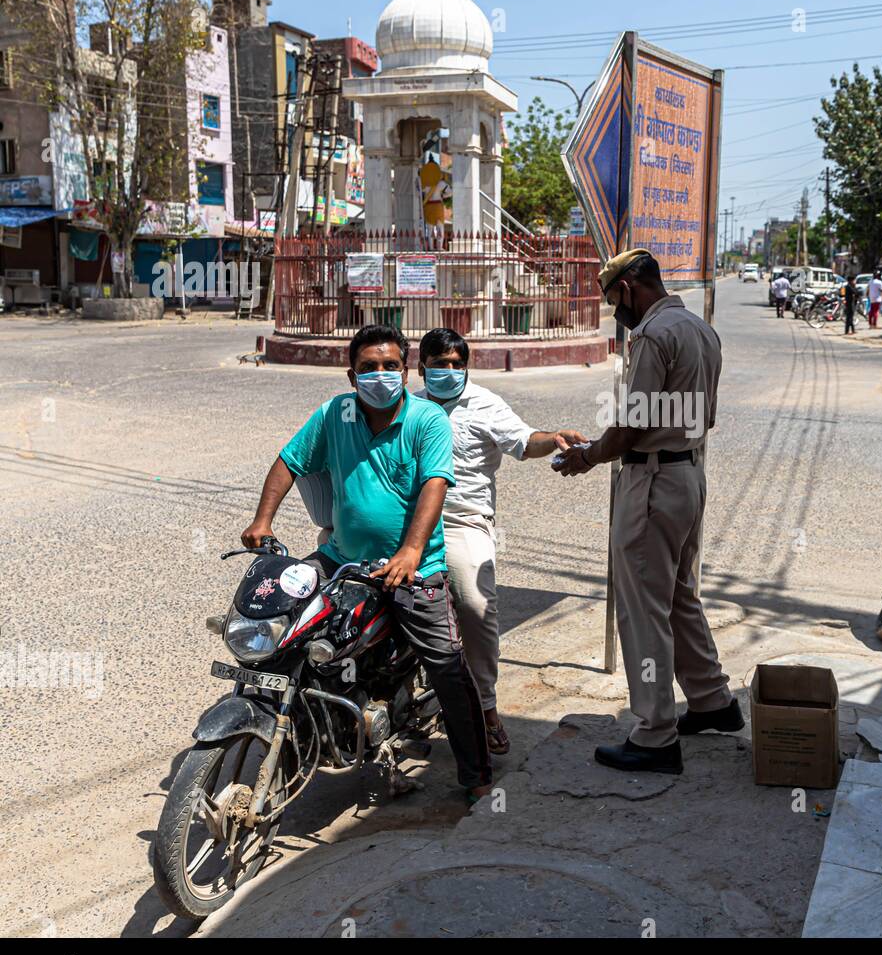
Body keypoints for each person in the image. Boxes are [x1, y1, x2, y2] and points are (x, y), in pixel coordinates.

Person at [241, 325, 493, 801]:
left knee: (447, 664)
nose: (381, 375)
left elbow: (434, 485)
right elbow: (289, 461)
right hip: (340, 557)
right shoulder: (334, 413)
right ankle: (295, 737)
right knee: (283, 628)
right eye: (369, 368)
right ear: (351, 374)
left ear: (404, 368)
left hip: (414, 565)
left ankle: (476, 775)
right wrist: (262, 520)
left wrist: (412, 551)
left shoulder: (428, 419)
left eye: (391, 366)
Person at [553, 248, 738, 775]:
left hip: (653, 480)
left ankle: (655, 734)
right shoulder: (700, 329)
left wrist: (589, 455)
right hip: (688, 473)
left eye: (615, 300)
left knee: (642, 607)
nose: (617, 312)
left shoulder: (655, 335)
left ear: (631, 286)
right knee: (678, 594)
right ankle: (712, 700)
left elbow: (633, 423)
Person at [413, 328, 587, 755]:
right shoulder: (407, 405)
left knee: (475, 603)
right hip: (408, 521)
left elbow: (524, 442)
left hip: (462, 522)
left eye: (458, 364)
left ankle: (486, 707)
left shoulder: (485, 404)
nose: (450, 371)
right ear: (422, 368)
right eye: (440, 364)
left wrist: (555, 438)